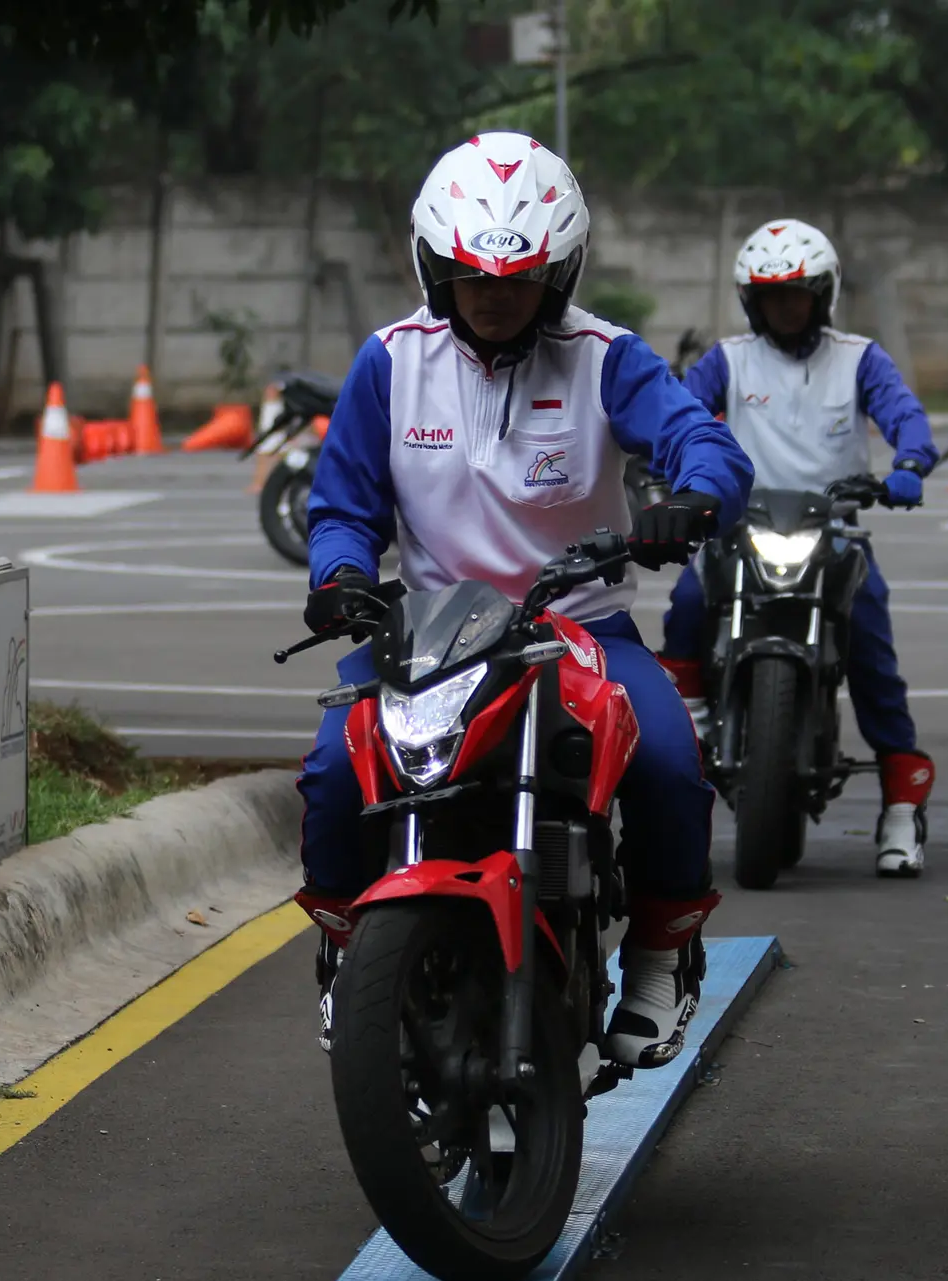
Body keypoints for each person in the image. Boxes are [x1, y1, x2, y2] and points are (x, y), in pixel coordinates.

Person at [296, 132, 753, 1069]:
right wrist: (340, 578)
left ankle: (663, 954)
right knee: (335, 776)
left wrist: (694, 498)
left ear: (560, 273)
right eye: (473, 277)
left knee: (670, 765)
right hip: (431, 633)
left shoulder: (608, 358)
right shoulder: (389, 362)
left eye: (521, 278)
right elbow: (342, 509)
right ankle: (350, 951)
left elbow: (703, 445)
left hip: (579, 629)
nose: (496, 295)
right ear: (435, 269)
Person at [662, 219, 940, 878]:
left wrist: (911, 461)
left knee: (871, 641)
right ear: (750, 300)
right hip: (741, 526)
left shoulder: (860, 357)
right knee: (686, 600)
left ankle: (901, 807)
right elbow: (675, 415)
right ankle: (695, 716)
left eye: (799, 293)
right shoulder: (726, 360)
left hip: (835, 530)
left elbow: (904, 413)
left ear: (824, 294)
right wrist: (662, 465)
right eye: (771, 295)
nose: (786, 306)